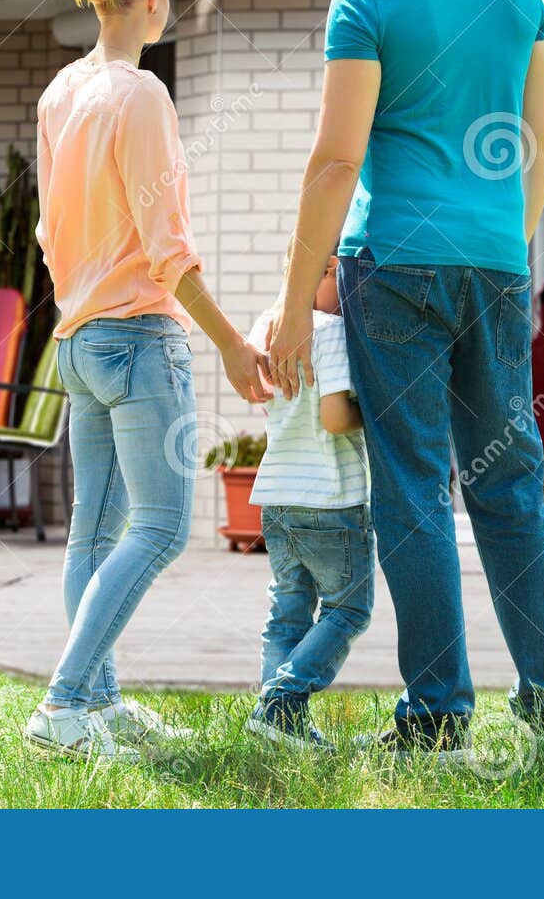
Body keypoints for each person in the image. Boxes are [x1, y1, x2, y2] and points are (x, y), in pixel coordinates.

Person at [267, 0, 544, 759]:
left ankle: (439, 712)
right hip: (494, 264)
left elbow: (334, 161)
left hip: (394, 265)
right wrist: (509, 244)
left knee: (410, 487)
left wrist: (291, 308)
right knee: (509, 482)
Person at [25, 0, 271, 761]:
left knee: (93, 535)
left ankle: (96, 705)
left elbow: (46, 232)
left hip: (80, 340)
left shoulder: (61, 92)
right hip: (137, 337)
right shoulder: (142, 97)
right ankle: (63, 703)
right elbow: (169, 249)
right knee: (162, 528)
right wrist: (234, 344)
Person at [244, 257, 374, 750]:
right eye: (344, 277)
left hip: (277, 495)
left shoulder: (268, 324)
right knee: (348, 610)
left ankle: (278, 726)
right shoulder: (331, 331)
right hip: (330, 498)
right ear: (320, 272)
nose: (352, 291)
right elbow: (336, 418)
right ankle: (280, 701)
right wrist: (378, 414)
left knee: (287, 612)